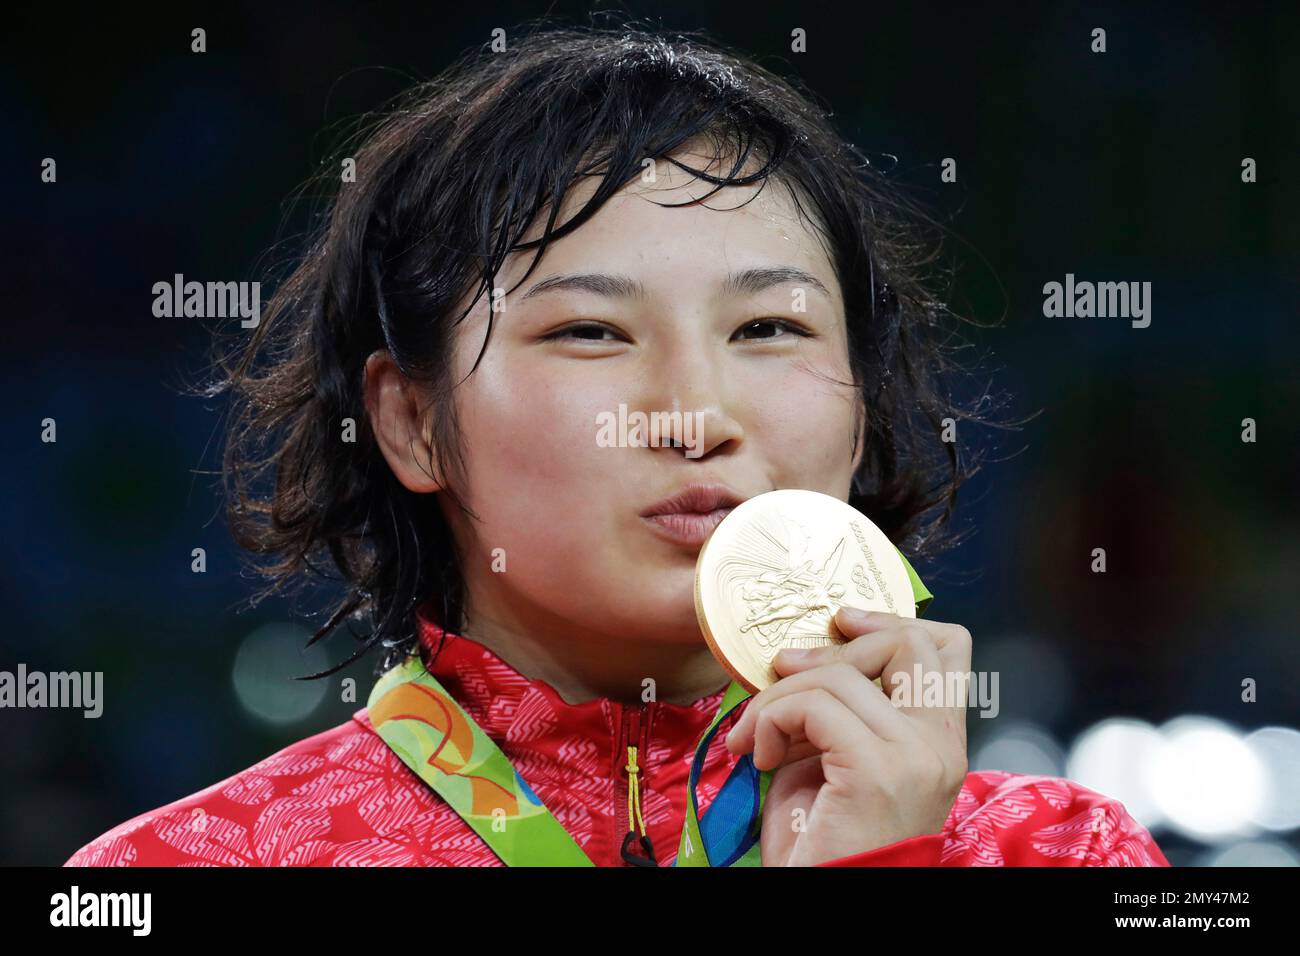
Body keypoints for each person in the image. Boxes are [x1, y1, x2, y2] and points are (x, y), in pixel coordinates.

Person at [65, 24, 1169, 867]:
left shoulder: (1065, 851)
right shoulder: (183, 866)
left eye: (768, 328)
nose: (692, 410)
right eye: (590, 330)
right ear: (409, 420)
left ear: (863, 404)